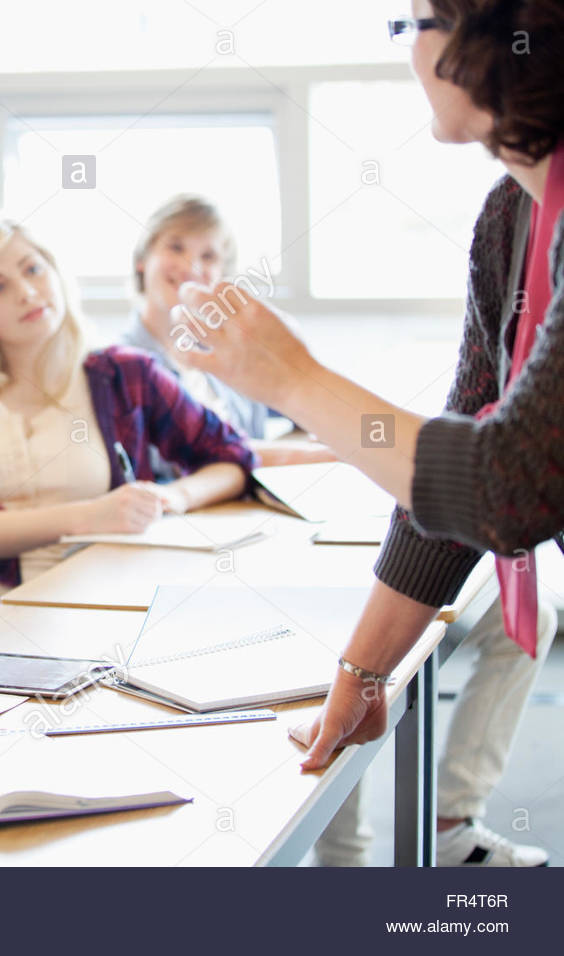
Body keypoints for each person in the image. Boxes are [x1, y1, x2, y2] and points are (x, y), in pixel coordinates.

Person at [170, 1, 562, 864]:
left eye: (413, 23)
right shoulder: (513, 216)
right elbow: (455, 468)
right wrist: (362, 671)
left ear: (499, 34)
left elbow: (507, 487)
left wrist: (292, 377)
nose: (406, 52)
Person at [0, 215, 258, 613]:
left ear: (56, 272)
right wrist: (90, 516)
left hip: (107, 594)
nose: (27, 292)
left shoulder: (124, 373)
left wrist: (171, 496)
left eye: (33, 269)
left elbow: (233, 458)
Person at [126, 194, 334, 476]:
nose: (191, 267)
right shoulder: (121, 364)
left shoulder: (229, 348)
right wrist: (317, 455)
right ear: (142, 259)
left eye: (208, 256)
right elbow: (186, 455)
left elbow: (303, 401)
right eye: (176, 248)